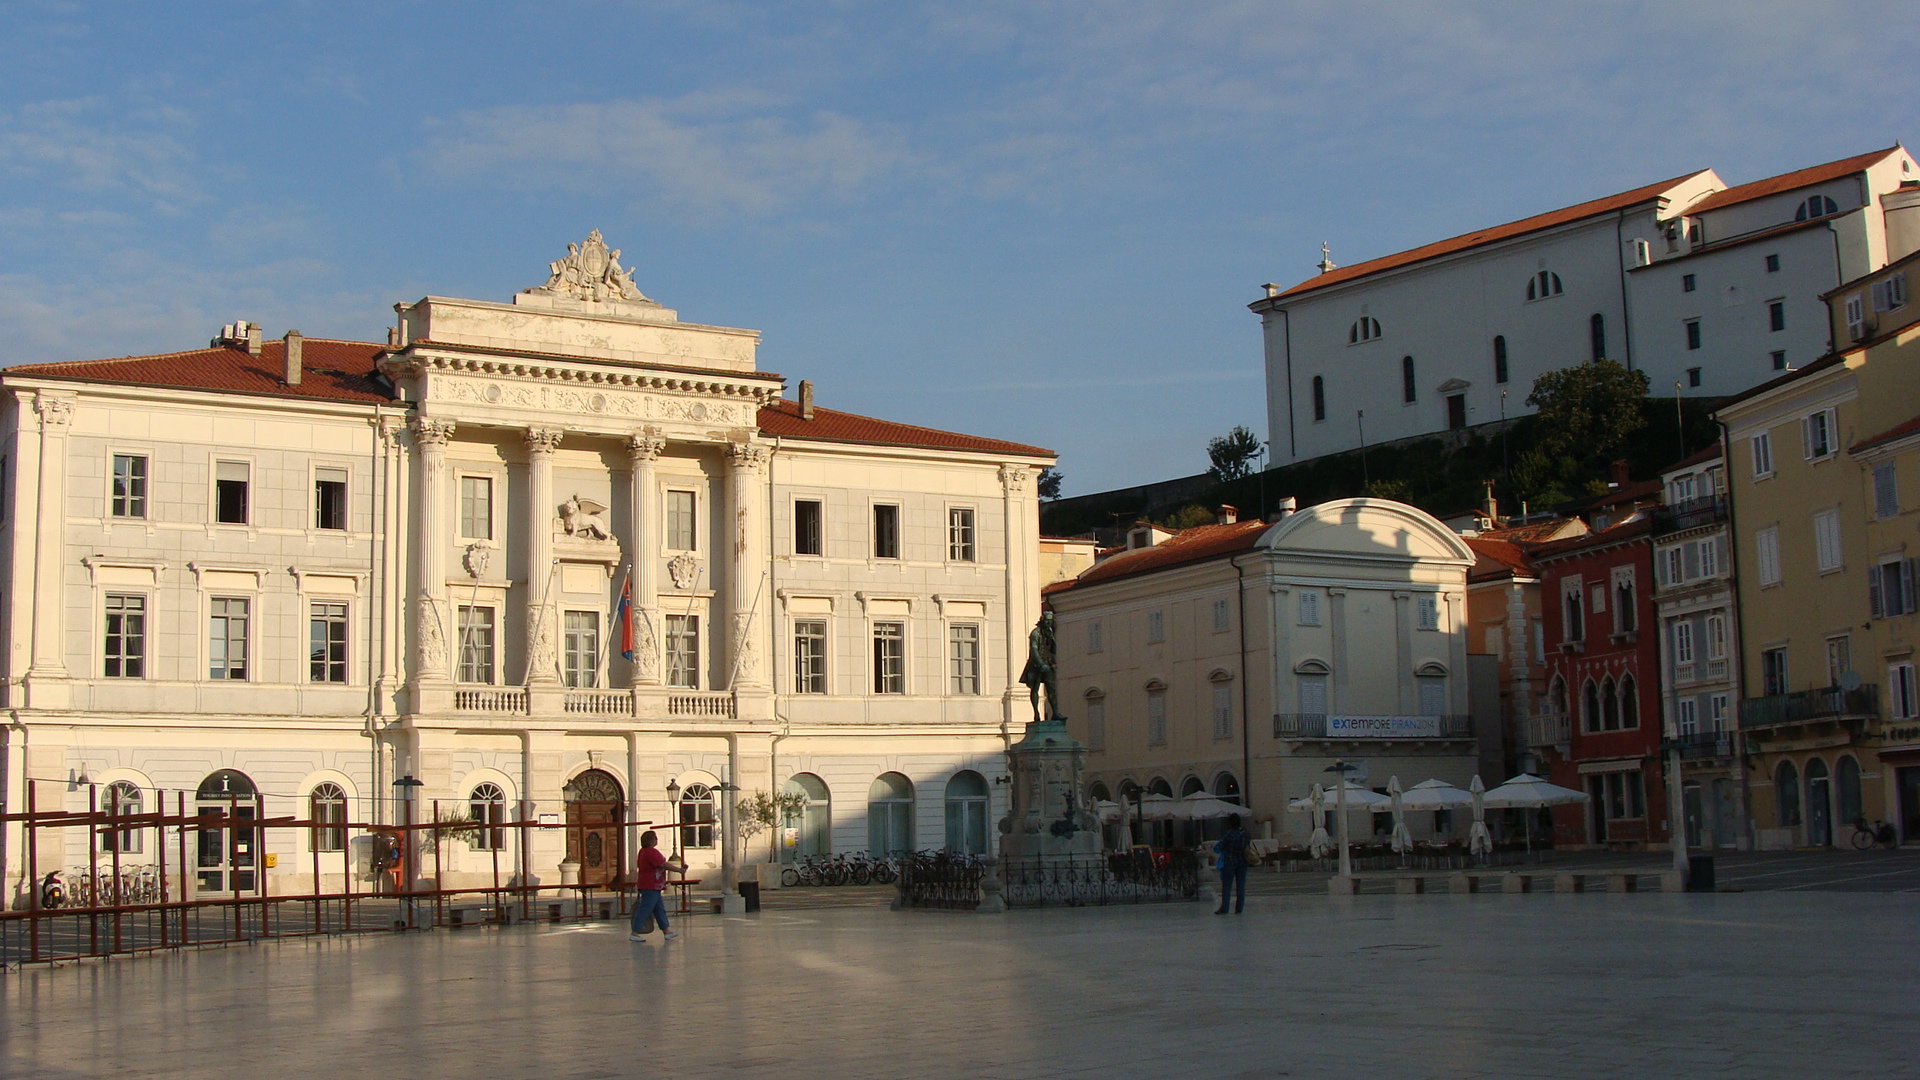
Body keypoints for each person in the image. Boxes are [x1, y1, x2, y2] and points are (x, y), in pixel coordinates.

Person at [629, 830, 678, 942]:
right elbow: (663, 864)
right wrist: (678, 870)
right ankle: (635, 932)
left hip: (650, 884)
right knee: (645, 908)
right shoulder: (651, 852)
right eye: (655, 838)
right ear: (651, 840)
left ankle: (666, 931)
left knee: (659, 909)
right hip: (651, 884)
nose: (657, 839)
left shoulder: (642, 851)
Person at [1213, 814, 1251, 915]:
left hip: (1229, 862)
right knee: (1241, 886)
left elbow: (1221, 846)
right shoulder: (1245, 833)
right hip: (1242, 861)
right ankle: (1239, 908)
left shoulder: (1229, 834)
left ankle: (1224, 908)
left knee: (1227, 886)